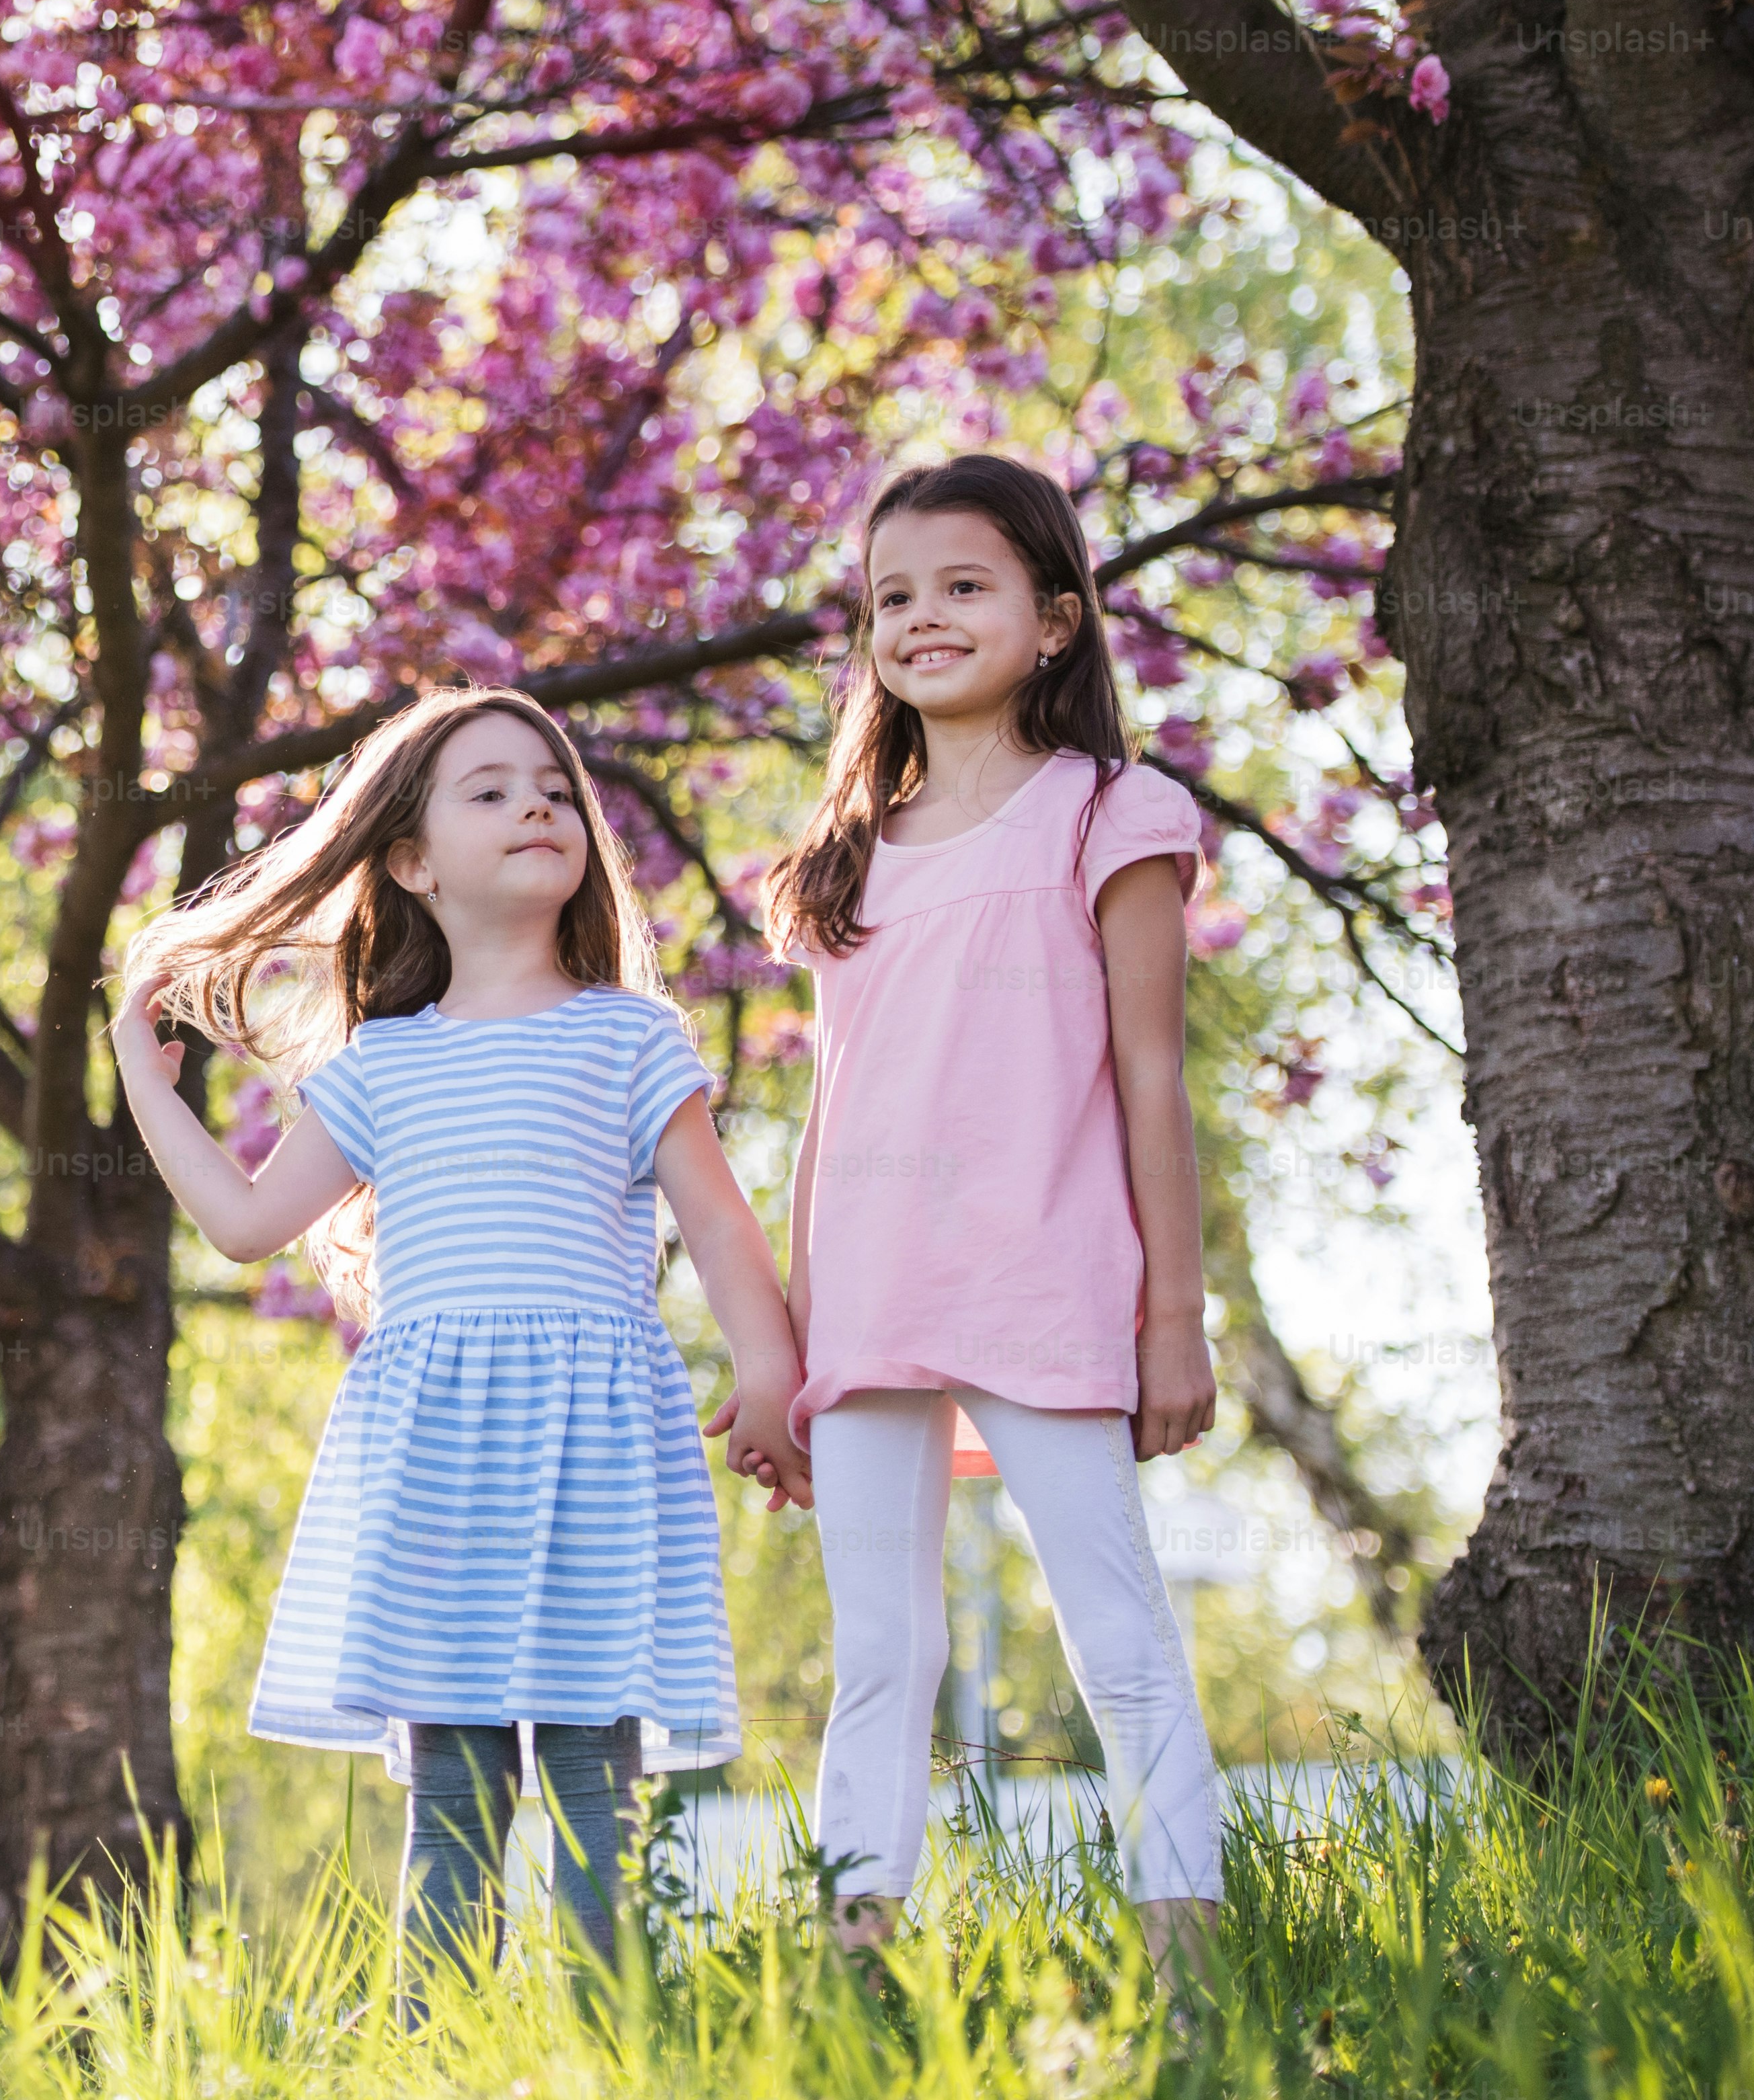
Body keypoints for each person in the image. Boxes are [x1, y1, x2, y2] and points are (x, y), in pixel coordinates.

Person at [109, 685, 811, 2023]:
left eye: (552, 788)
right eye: (489, 791)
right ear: (413, 863)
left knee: (596, 1778)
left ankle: (613, 2039)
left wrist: (769, 1375)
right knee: (458, 1789)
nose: (536, 806)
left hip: (596, 1449)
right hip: (432, 1463)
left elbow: (723, 1228)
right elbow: (245, 1223)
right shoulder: (384, 1066)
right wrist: (147, 1076)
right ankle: (437, 2047)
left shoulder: (628, 1035)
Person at [746, 452, 1226, 1994]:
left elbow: (1151, 1077)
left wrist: (1174, 1318)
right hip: (870, 1306)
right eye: (893, 594)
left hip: (1045, 1283)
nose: (924, 616)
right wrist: (792, 1346)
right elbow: (830, 1121)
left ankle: (1193, 1978)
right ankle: (851, 1979)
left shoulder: (1112, 812)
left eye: (965, 584)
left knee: (1118, 1637)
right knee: (883, 1657)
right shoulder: (848, 859)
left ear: (1056, 618)